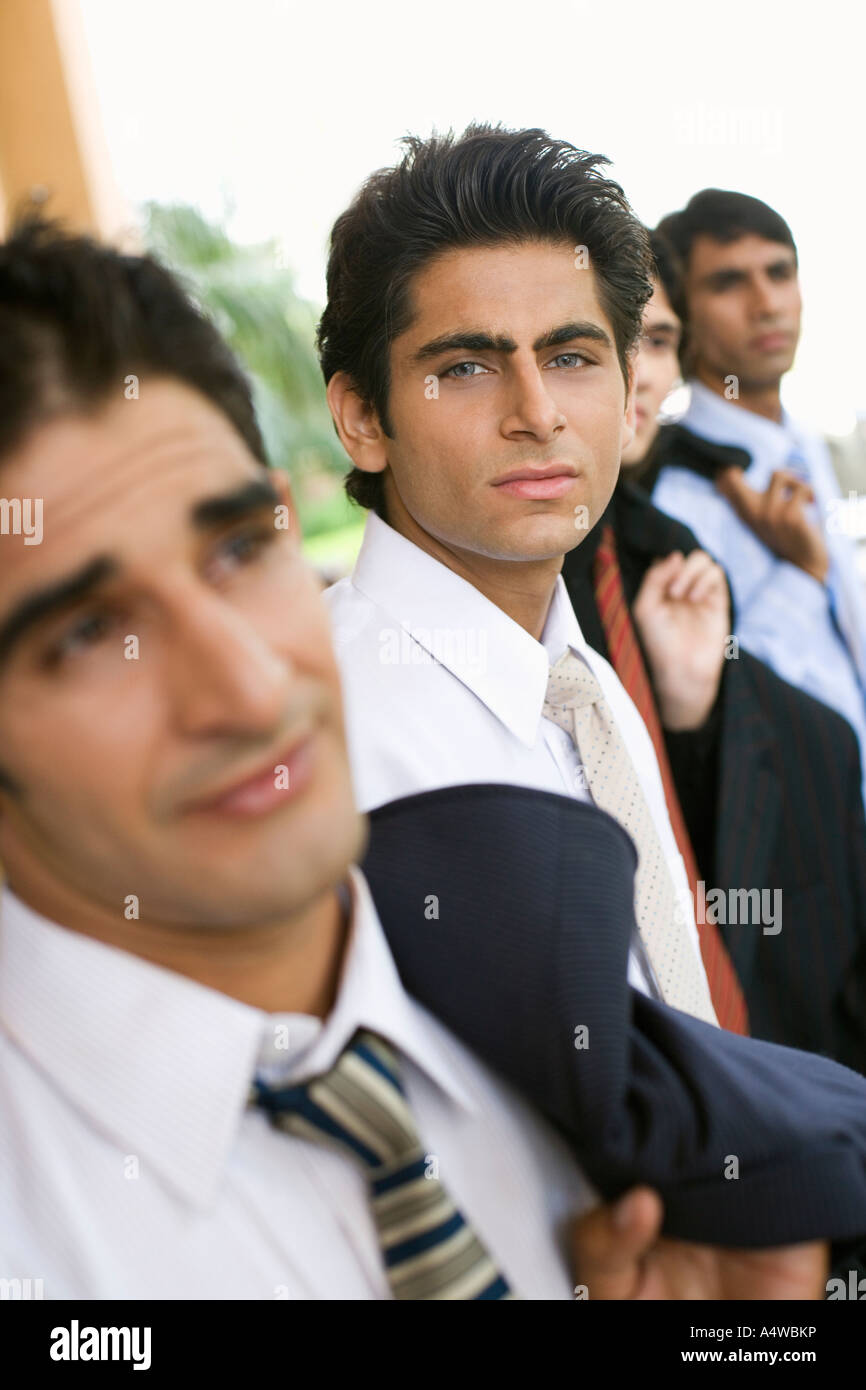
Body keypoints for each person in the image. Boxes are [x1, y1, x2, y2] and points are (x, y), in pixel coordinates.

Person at [1, 217, 842, 1302]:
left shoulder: (478, 1026)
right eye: (83, 634)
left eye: (238, 550)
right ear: (358, 417)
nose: (249, 686)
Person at [321, 125, 729, 1028]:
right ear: (362, 417)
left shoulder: (587, 695)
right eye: (466, 367)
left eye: (571, 358)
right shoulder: (314, 742)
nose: (537, 413)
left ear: (628, 394)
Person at [561, 235, 866, 1069]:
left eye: (656, 341)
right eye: (591, 345)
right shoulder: (663, 514)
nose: (639, 373)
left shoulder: (667, 545)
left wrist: (696, 714)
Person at [646, 190, 866, 808]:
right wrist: (803, 571)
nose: (767, 304)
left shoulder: (798, 442)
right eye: (728, 283)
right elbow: (731, 704)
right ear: (684, 316)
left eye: (779, 272)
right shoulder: (677, 492)